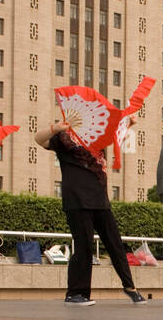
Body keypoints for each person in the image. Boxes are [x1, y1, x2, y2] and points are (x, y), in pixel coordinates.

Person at [35, 119, 146, 306]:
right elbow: (39, 139)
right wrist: (56, 128)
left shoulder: (97, 135)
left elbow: (114, 134)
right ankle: (76, 293)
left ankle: (130, 287)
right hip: (77, 200)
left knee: (115, 244)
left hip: (100, 200)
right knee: (84, 246)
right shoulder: (64, 136)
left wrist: (127, 124)